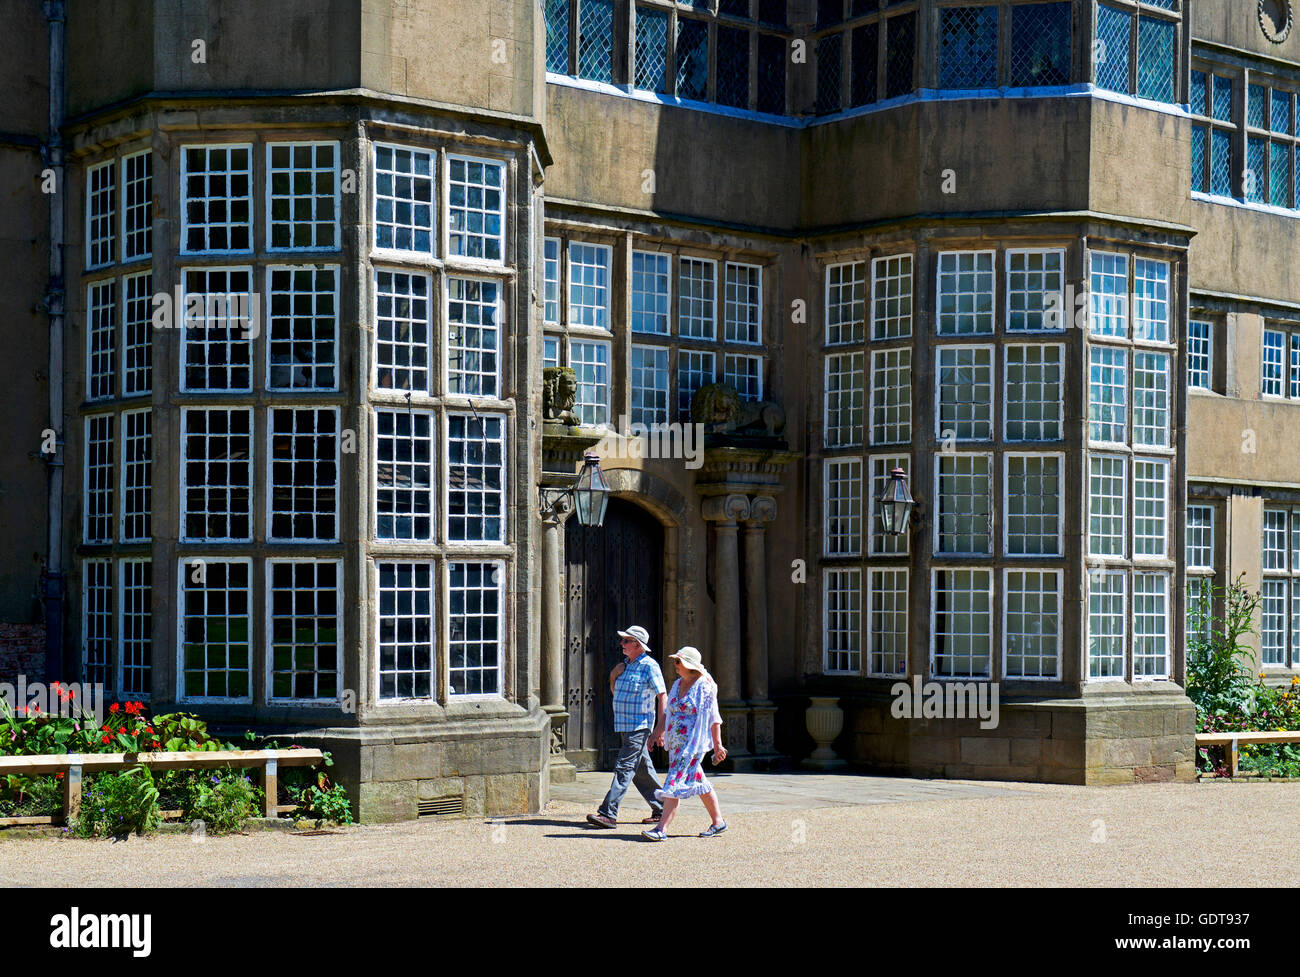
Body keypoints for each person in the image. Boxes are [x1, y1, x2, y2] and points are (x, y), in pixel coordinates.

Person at [641, 646, 727, 840]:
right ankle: (718, 822)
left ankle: (661, 829)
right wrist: (657, 732)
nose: (675, 665)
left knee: (674, 782)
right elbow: (668, 712)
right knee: (699, 781)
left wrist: (717, 744)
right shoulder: (677, 684)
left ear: (689, 665)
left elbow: (713, 718)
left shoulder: (704, 685)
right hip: (676, 744)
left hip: (692, 746)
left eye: (678, 662)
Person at [586, 625, 666, 828]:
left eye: (626, 640)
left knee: (624, 767)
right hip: (624, 724)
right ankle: (662, 808)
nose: (621, 643)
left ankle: (608, 813)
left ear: (637, 645)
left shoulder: (649, 666)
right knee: (641, 770)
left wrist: (659, 728)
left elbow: (662, 696)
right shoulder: (624, 665)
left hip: (639, 725)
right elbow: (617, 693)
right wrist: (613, 675)